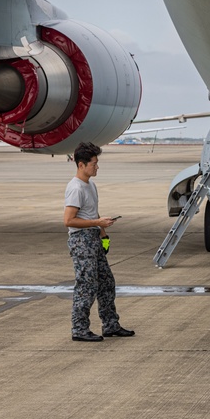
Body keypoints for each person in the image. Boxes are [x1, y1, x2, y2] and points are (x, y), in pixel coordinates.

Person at [63, 142, 134, 342]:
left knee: (106, 282)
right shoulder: (75, 188)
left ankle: (110, 325)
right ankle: (79, 329)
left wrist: (103, 234)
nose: (97, 167)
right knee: (86, 285)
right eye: (93, 163)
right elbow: (68, 220)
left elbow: (92, 213)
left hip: (94, 238)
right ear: (81, 165)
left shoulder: (90, 185)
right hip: (81, 240)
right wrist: (97, 223)